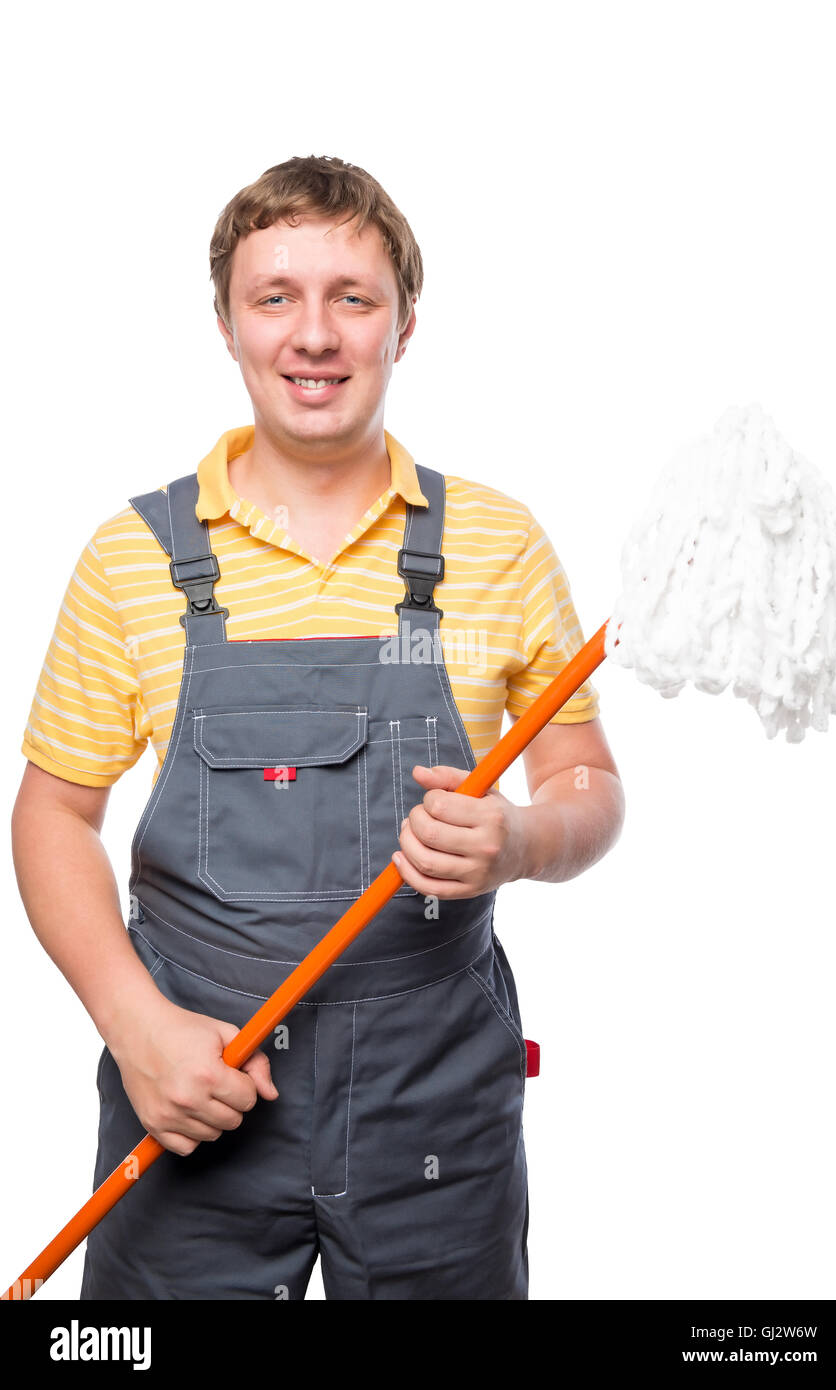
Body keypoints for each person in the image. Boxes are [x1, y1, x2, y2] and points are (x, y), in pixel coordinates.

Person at [13, 154, 625, 1300]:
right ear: (228, 324)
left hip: (432, 1097)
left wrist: (524, 840)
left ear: (404, 324)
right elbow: (53, 814)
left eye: (353, 297)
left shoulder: (495, 542)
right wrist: (133, 1024)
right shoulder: (133, 560)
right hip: (197, 1085)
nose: (315, 334)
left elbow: (586, 777)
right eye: (276, 296)